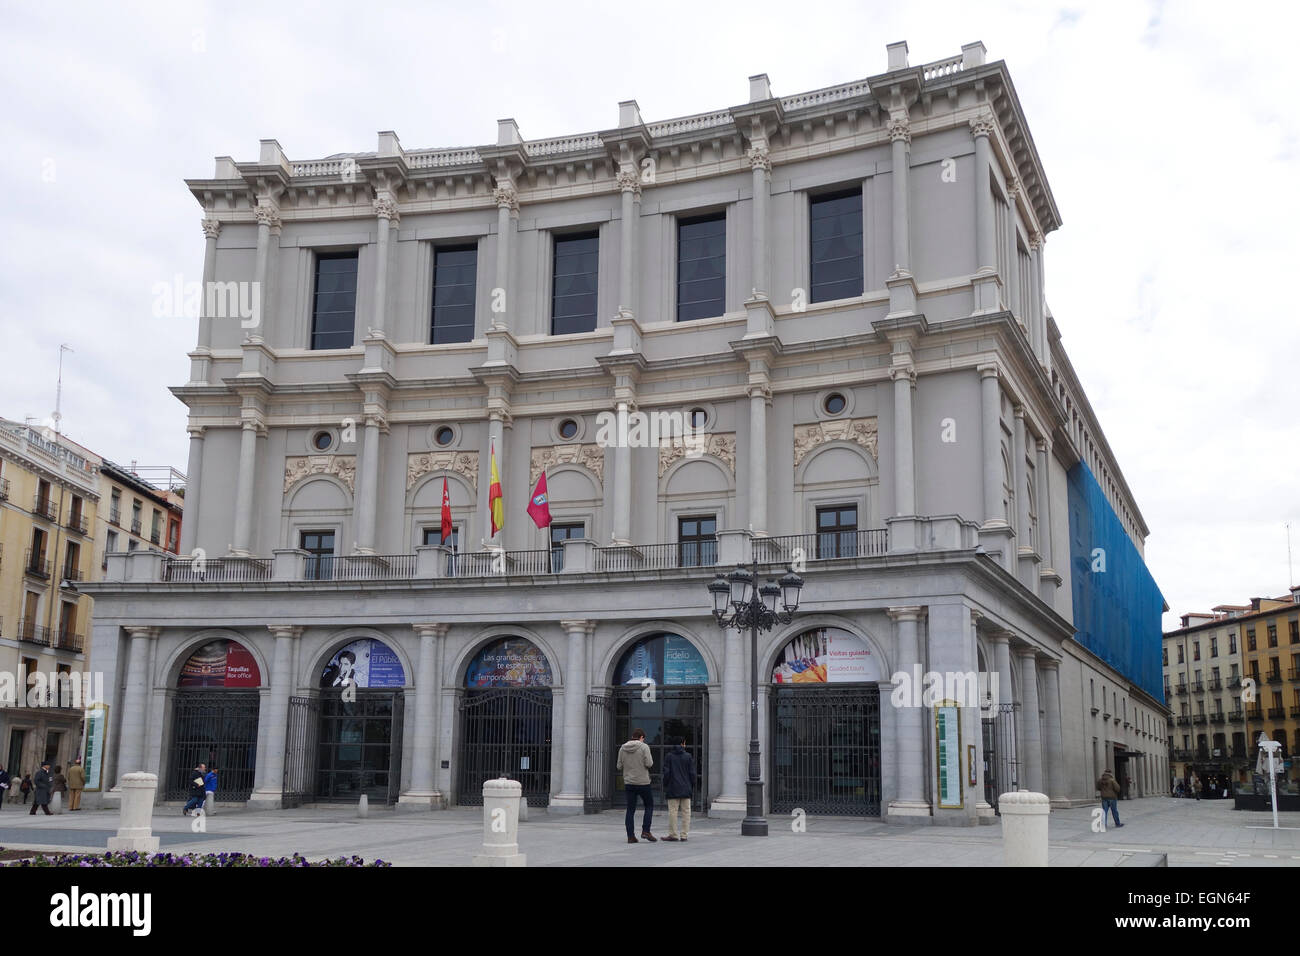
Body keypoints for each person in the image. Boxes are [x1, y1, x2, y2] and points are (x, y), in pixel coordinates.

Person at [617, 729, 656, 844]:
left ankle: (630, 836)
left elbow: (619, 766)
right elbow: (649, 764)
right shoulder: (644, 747)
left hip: (629, 782)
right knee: (649, 805)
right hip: (643, 782)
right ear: (642, 737)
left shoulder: (622, 748)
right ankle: (646, 831)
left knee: (630, 809)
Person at [661, 736, 695, 843]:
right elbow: (692, 774)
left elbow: (666, 773)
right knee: (686, 812)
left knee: (673, 812)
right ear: (682, 744)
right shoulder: (688, 756)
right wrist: (692, 785)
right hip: (686, 788)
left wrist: (665, 784)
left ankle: (673, 834)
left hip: (673, 788)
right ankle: (684, 835)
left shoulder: (669, 756)